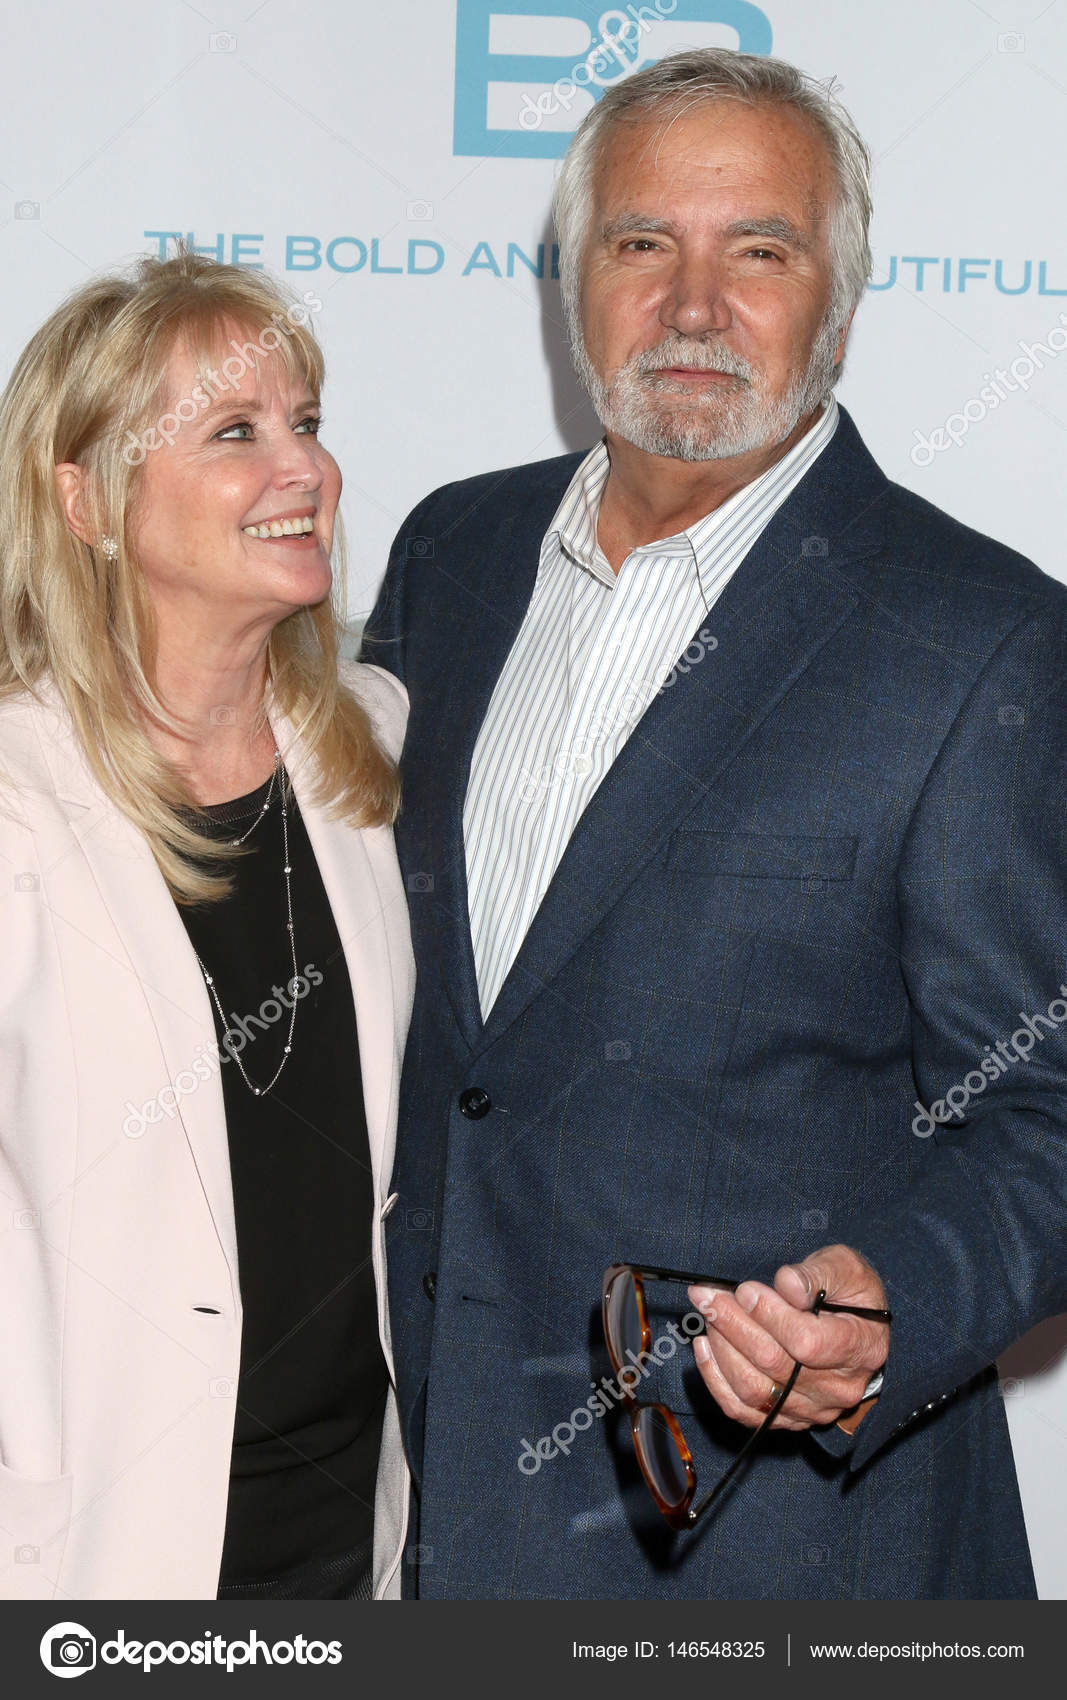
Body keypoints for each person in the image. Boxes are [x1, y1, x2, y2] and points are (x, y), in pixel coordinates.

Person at [363, 48, 1067, 1599]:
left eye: (760, 247)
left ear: (841, 293)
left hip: (776, 1549)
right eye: (641, 243)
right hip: (429, 1509)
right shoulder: (451, 557)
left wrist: (888, 1307)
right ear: (575, 278)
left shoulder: (980, 640)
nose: (693, 305)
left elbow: (1051, 1105)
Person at [0, 249, 414, 1600]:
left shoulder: (372, 755)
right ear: (89, 501)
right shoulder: (16, 792)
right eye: (235, 432)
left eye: (308, 422)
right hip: (91, 1549)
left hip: (351, 1530)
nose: (303, 470)